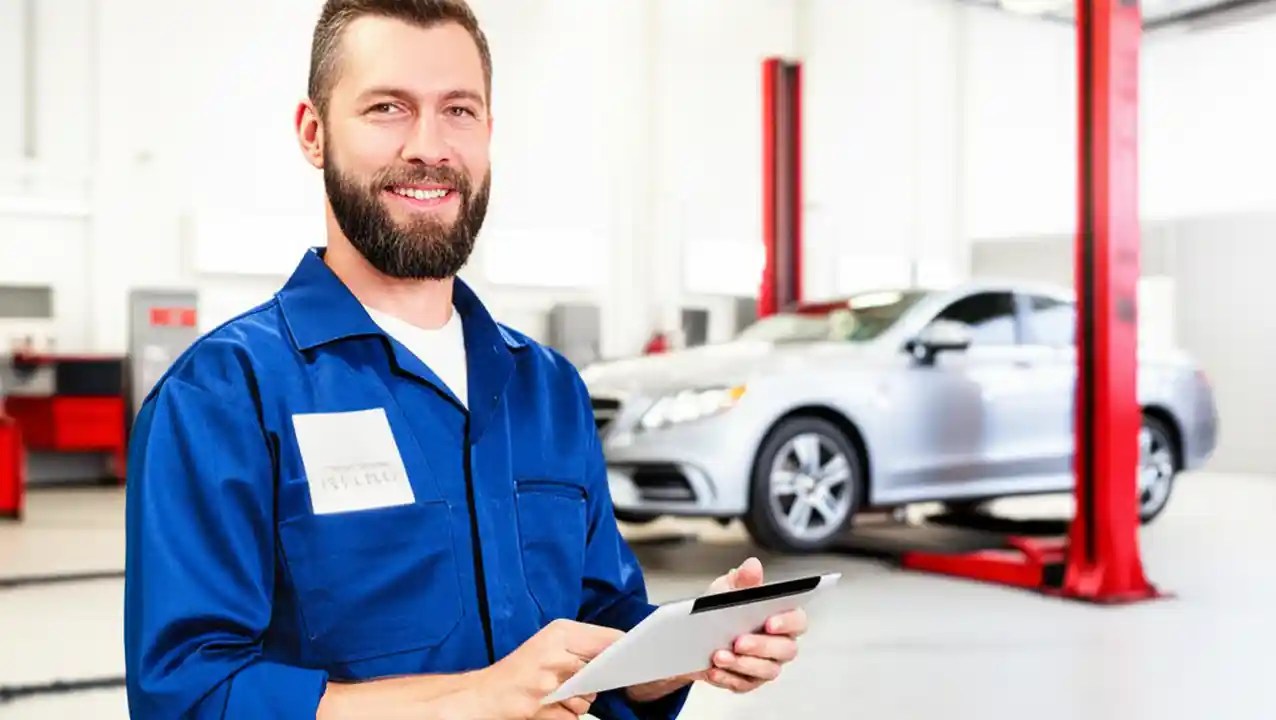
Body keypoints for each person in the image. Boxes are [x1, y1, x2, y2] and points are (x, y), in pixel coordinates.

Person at [122, 1, 807, 718]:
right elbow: (189, 695)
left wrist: (677, 649)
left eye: (459, 110)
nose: (430, 146)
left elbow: (599, 623)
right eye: (388, 107)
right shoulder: (223, 394)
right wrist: (469, 702)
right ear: (314, 133)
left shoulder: (546, 388)